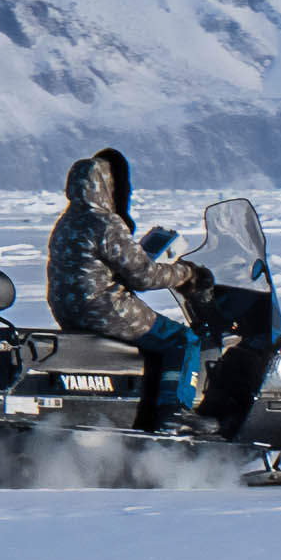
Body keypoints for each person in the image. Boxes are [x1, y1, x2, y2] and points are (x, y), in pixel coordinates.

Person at [46, 148, 215, 434]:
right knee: (181, 339)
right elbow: (144, 276)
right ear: (108, 186)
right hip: (103, 307)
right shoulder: (104, 223)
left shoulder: (66, 222)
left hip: (69, 309)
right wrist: (188, 274)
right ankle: (174, 413)